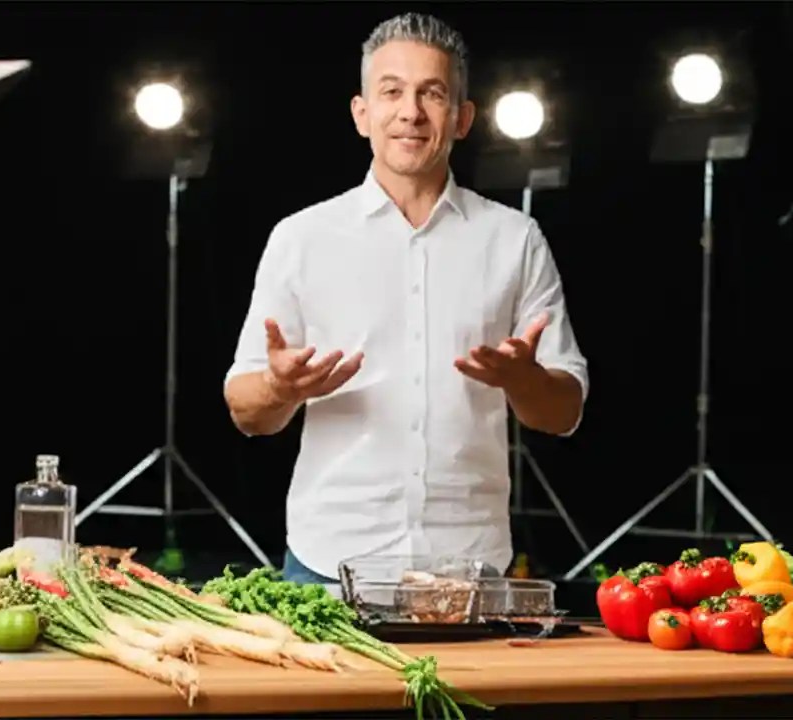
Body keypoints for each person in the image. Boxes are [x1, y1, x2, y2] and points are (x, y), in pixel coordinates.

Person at [223, 13, 588, 585]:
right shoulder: (301, 238)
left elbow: (564, 413)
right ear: (361, 114)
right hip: (329, 566)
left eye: (433, 93)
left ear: (463, 118)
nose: (411, 112)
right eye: (391, 91)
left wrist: (524, 378)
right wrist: (279, 387)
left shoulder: (514, 239)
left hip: (470, 570)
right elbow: (245, 410)